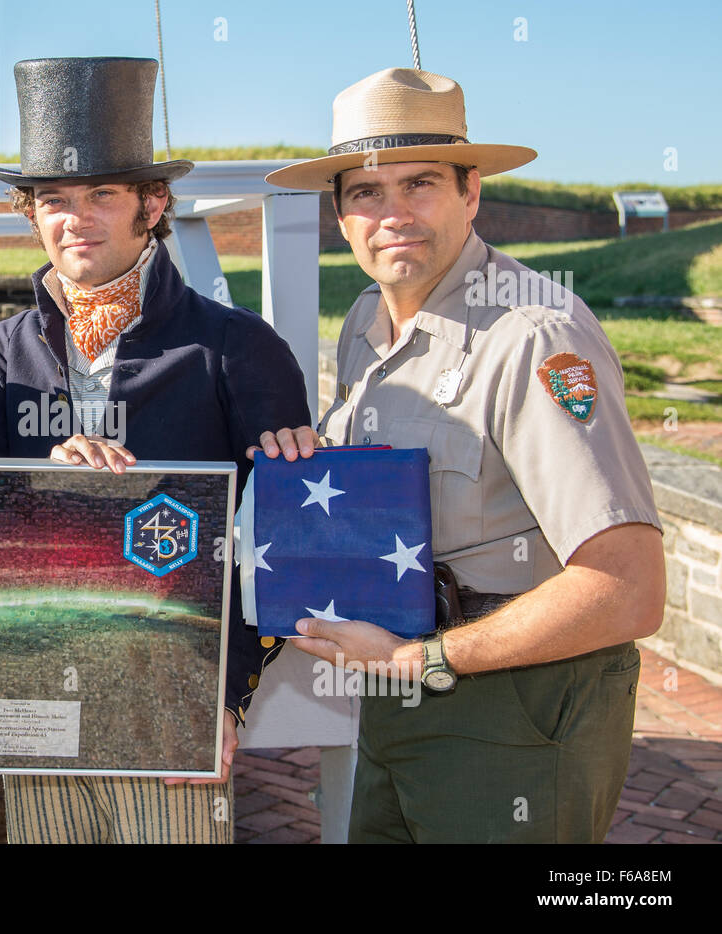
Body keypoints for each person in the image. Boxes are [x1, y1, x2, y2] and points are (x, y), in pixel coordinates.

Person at [265, 67, 664, 843]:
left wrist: (427, 661)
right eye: (365, 194)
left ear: (471, 191)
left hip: (514, 706)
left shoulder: (533, 337)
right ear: (340, 216)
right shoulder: (364, 324)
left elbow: (627, 588)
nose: (393, 216)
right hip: (399, 686)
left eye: (420, 184)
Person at [0, 57, 314, 844]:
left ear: (154, 204)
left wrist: (224, 696)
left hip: (166, 699)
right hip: (35, 690)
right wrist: (38, 481)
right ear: (30, 215)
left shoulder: (237, 348)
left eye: (103, 194)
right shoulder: (3, 352)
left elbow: (276, 550)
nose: (77, 218)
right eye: (55, 201)